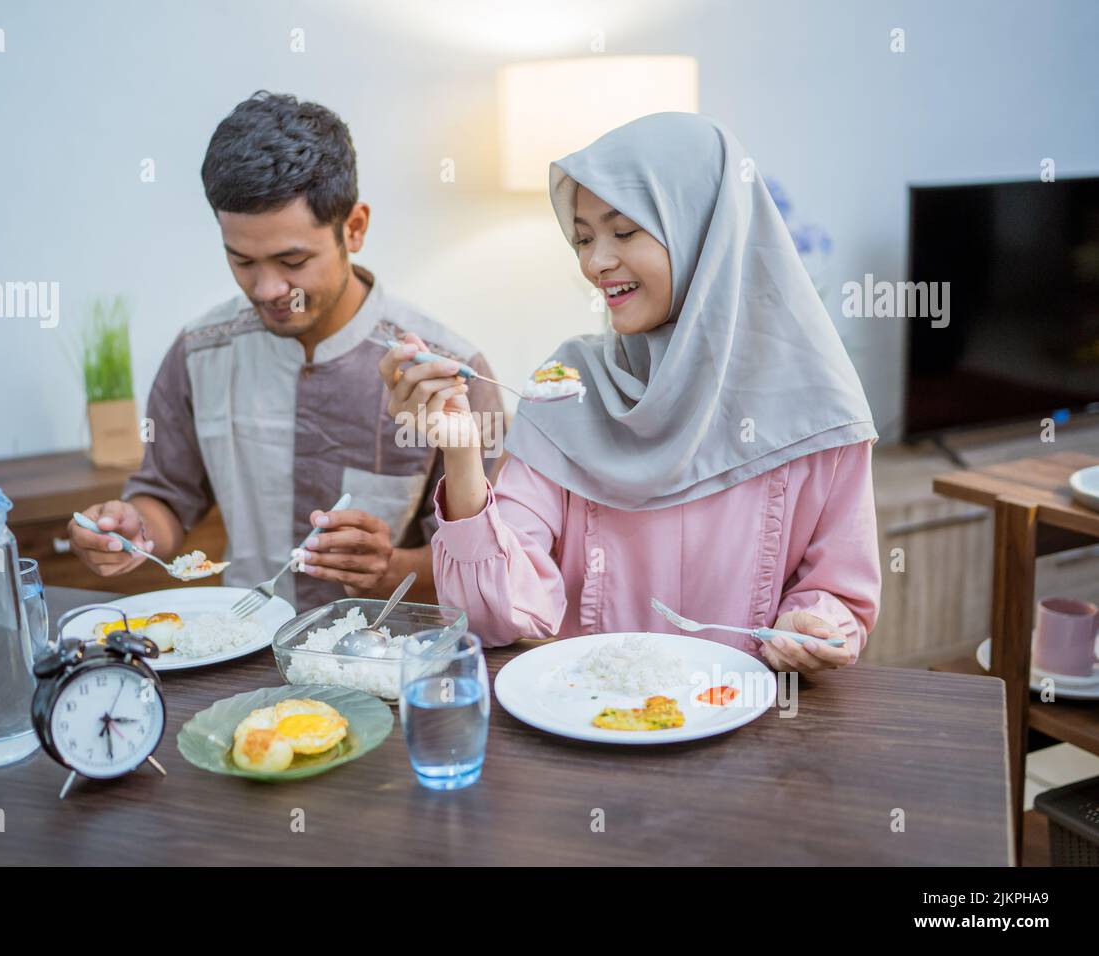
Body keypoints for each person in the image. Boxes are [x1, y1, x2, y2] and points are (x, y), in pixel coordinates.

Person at [379, 112, 881, 674]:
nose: (595, 263)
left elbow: (839, 597)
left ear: (703, 230)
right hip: (585, 723)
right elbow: (494, 619)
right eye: (584, 238)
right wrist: (463, 452)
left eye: (624, 231)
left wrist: (809, 627)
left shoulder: (818, 407)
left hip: (745, 728)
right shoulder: (567, 388)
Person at [69, 91, 504, 607]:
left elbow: (493, 559)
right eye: (242, 260)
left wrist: (390, 569)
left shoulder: (447, 374)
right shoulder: (200, 354)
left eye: (292, 261)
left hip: (389, 656)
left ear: (355, 228)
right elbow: (165, 498)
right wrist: (129, 529)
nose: (266, 289)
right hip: (244, 648)